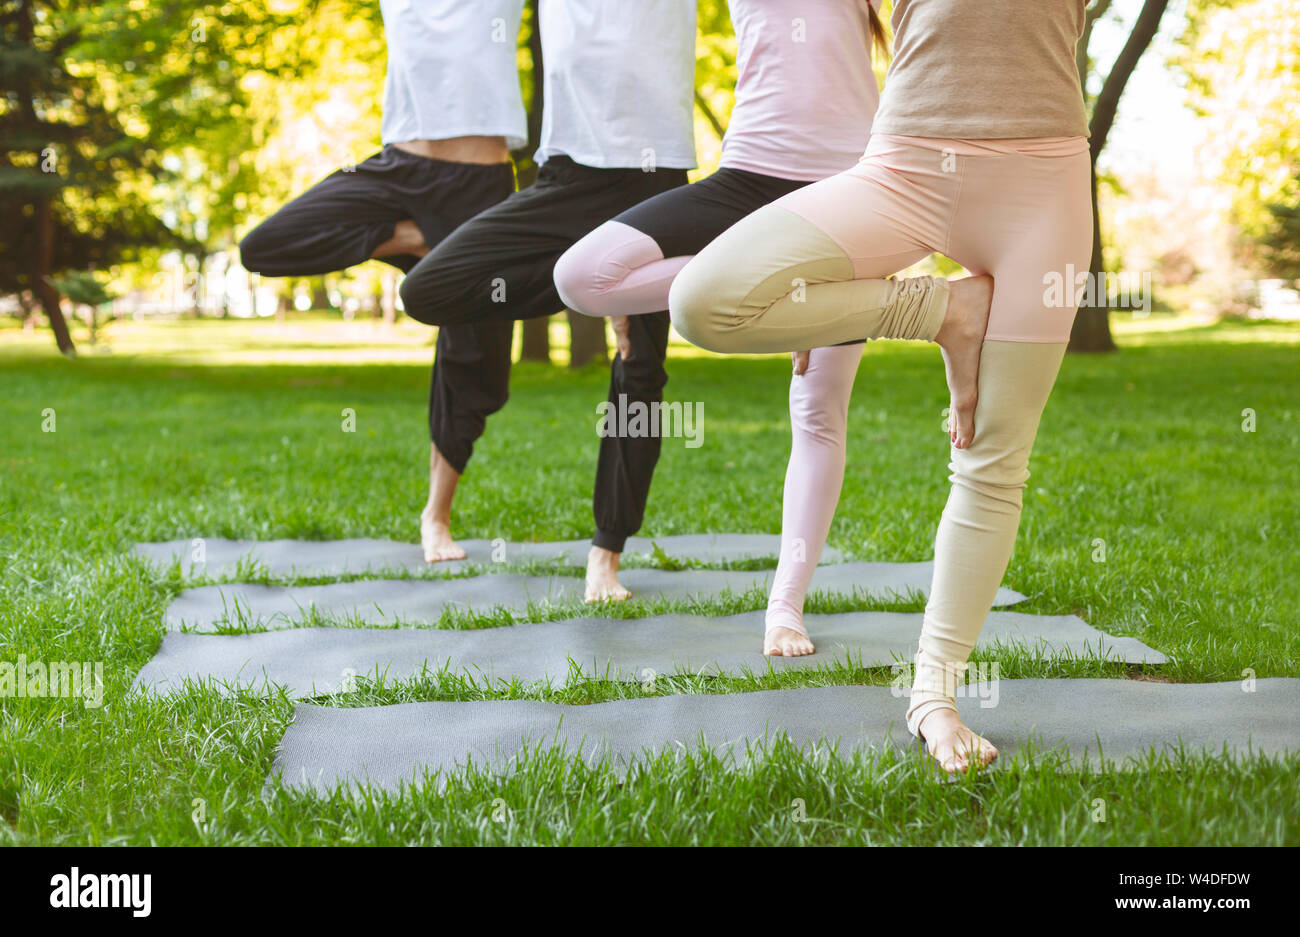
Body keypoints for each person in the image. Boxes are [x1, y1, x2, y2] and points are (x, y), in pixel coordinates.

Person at [668, 0, 1092, 774]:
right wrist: (887, 291)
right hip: (903, 168)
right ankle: (943, 310)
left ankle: (934, 693)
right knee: (705, 299)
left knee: (994, 454)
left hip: (1043, 183)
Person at [552, 0, 899, 657]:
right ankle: (789, 289)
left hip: (847, 196)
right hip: (747, 181)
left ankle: (785, 608)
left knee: (820, 412)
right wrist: (797, 297)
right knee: (584, 277)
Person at [398, 0, 698, 602]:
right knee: (428, 288)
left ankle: (606, 556)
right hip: (568, 176)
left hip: (655, 179)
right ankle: (595, 285)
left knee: (640, 372)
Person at [237, 0, 526, 564]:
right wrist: (412, 236)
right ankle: (419, 240)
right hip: (400, 171)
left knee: (477, 369)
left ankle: (435, 519)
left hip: (481, 189)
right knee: (263, 245)